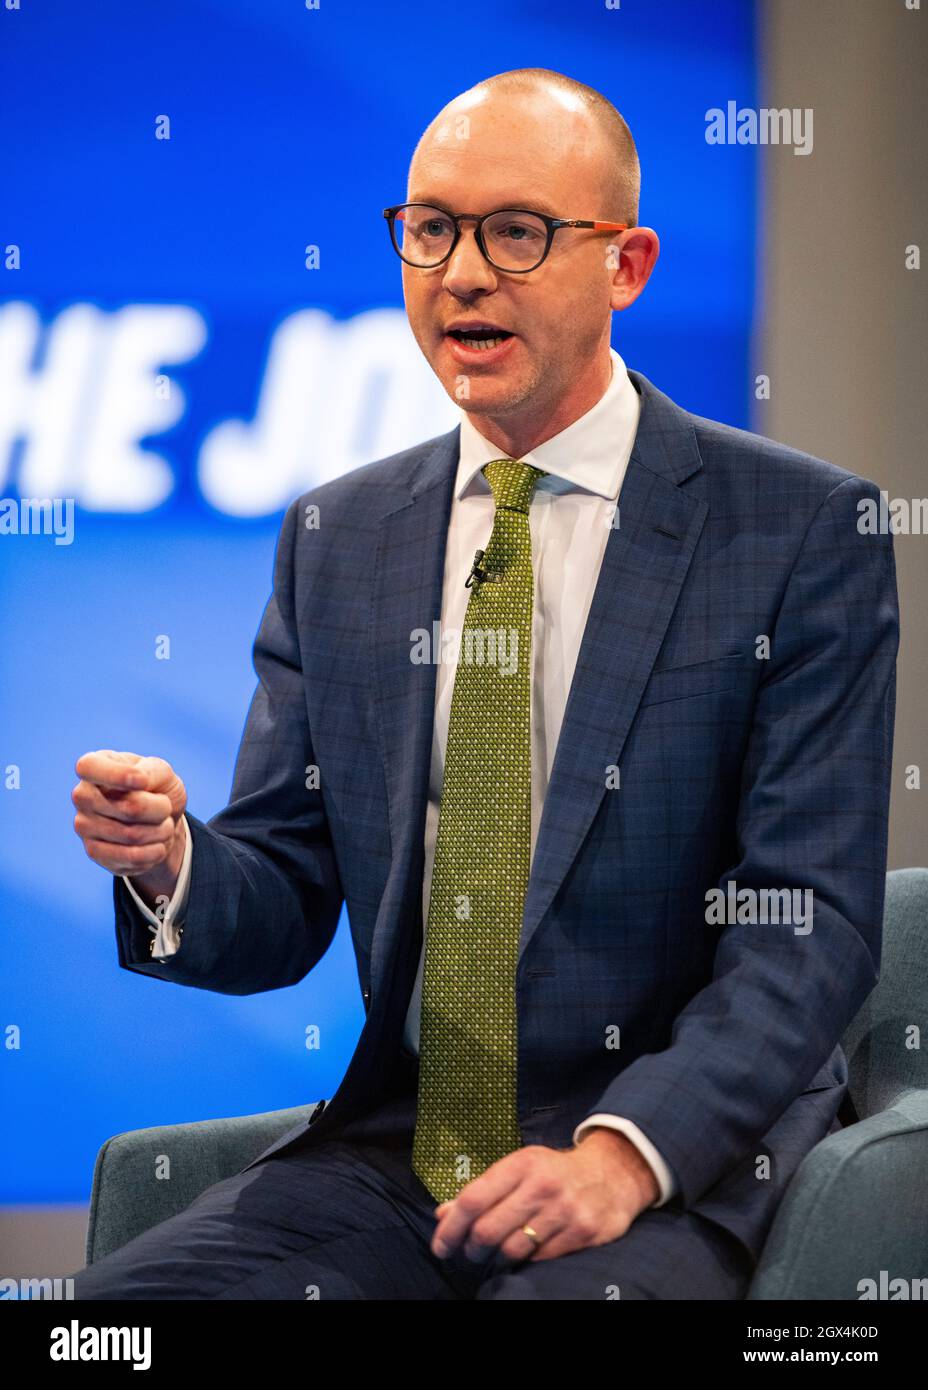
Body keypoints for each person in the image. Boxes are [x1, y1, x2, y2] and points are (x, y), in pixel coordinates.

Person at [67, 67, 898, 1300]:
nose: (459, 274)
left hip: (672, 1163)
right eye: (430, 229)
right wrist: (168, 861)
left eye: (516, 233)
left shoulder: (796, 529)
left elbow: (804, 921)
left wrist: (624, 1156)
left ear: (626, 266)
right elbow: (285, 892)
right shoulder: (336, 536)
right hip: (401, 1159)